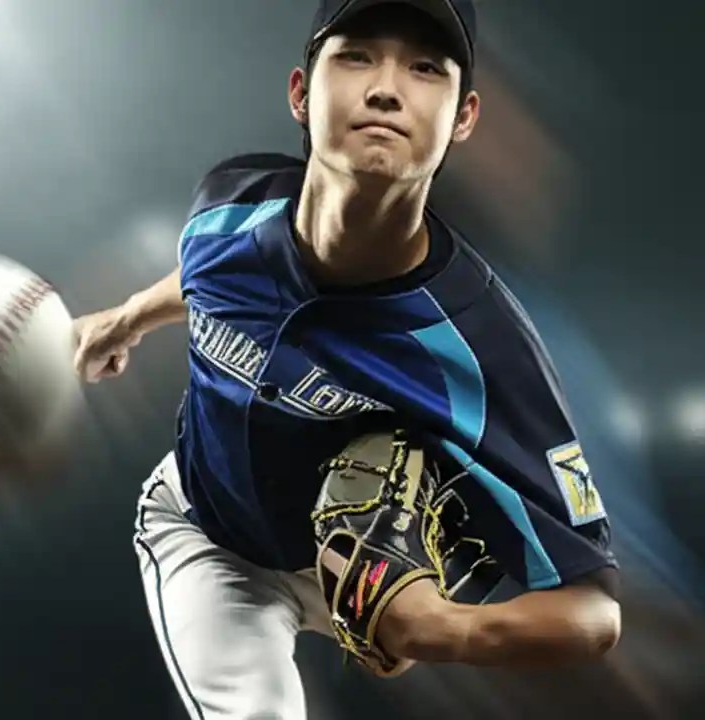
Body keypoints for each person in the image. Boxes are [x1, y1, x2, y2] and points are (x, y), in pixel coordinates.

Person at [73, 1, 621, 717]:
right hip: (212, 534)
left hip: (381, 574)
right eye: (357, 55)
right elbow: (205, 273)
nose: (387, 87)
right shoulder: (226, 206)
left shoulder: (481, 347)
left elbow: (595, 613)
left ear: (464, 117)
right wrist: (128, 317)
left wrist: (447, 631)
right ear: (301, 92)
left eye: (426, 67)